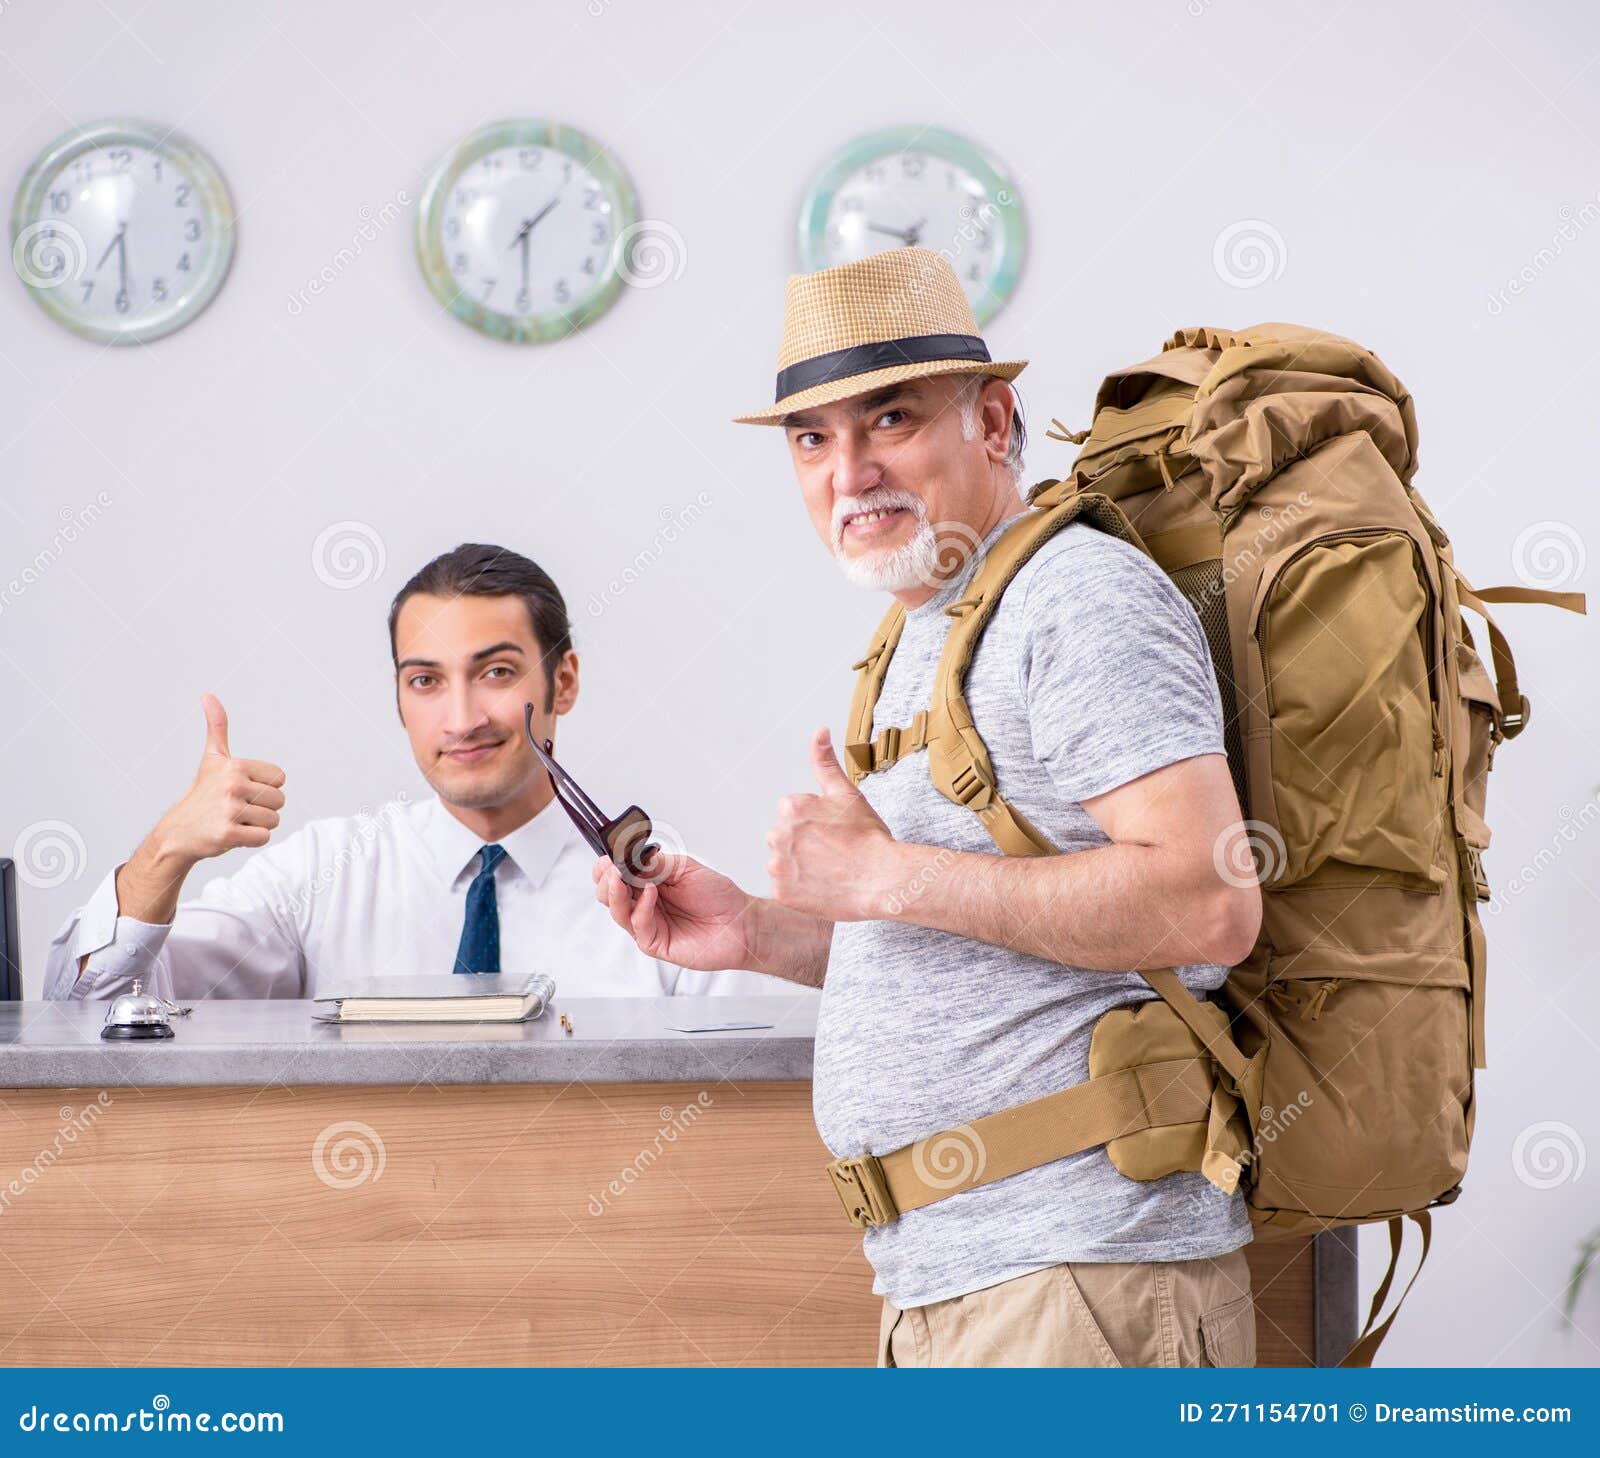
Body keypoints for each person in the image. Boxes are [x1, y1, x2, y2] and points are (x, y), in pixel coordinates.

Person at [594, 247, 1262, 1367]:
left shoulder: (1076, 599)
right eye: (812, 438)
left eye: (890, 419)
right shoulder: (925, 624)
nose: (847, 472)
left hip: (1078, 1279)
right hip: (962, 1282)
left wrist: (882, 876)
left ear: (992, 424)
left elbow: (1208, 900)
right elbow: (986, 933)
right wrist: (764, 933)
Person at [45, 542, 779, 1002]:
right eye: (425, 681)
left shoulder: (668, 902)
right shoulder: (320, 879)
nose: (461, 718)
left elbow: (752, 1108)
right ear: (399, 699)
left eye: (496, 671)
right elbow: (85, 1005)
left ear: (564, 683)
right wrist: (164, 853)